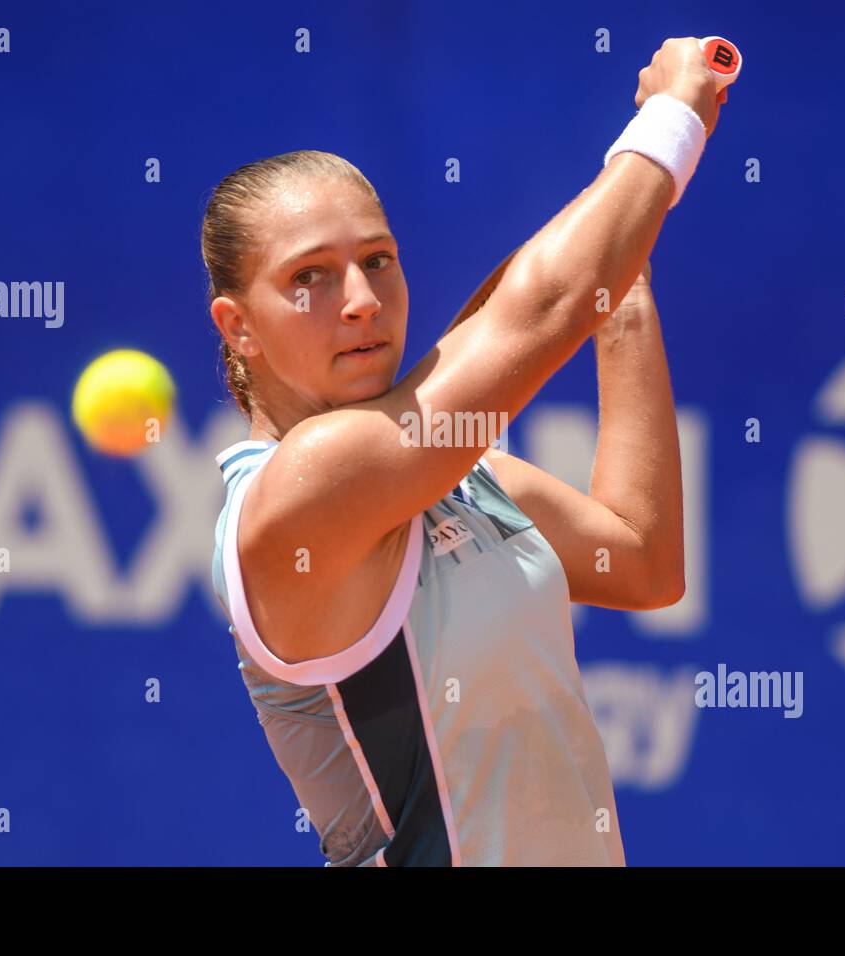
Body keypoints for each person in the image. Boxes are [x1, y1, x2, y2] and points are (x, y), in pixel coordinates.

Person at [201, 37, 724, 866]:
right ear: (238, 327)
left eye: (377, 260)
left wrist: (618, 293)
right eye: (312, 278)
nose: (362, 301)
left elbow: (642, 561)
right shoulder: (304, 485)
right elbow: (544, 302)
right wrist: (673, 120)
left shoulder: (458, 471)